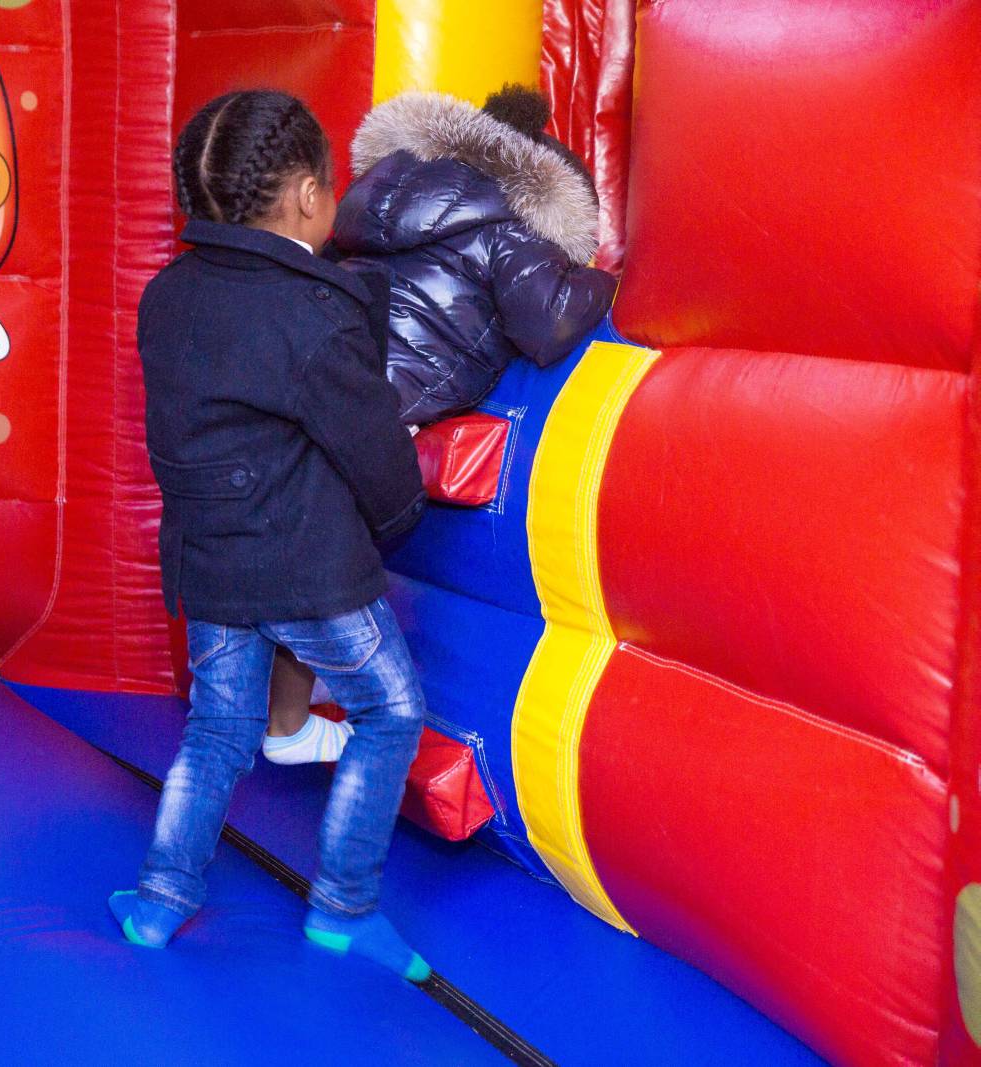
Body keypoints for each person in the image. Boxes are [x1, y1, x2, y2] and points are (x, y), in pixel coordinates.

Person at [108, 89, 434, 983]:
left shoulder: (167, 296)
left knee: (219, 729)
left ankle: (160, 900)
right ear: (304, 195)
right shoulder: (311, 311)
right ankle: (345, 908)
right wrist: (400, 515)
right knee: (391, 711)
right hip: (306, 569)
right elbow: (372, 448)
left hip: (210, 563)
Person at [264, 84, 618, 762]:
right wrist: (608, 281)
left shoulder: (378, 199)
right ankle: (289, 724)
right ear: (539, 181)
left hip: (318, 382)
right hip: (386, 403)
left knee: (295, 539)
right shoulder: (504, 226)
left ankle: (285, 692)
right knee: (330, 559)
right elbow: (549, 321)